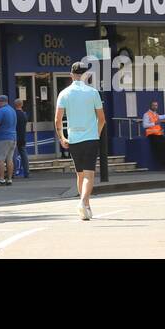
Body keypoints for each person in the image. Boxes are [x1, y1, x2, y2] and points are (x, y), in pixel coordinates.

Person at [55, 63, 106, 221]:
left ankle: (86, 207)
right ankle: (84, 202)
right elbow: (102, 119)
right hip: (90, 138)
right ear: (86, 75)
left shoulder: (64, 93)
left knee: (80, 174)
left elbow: (57, 120)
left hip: (74, 139)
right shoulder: (93, 93)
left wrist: (62, 138)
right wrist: (96, 133)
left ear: (71, 75)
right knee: (89, 175)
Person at [0, 94, 18, 185]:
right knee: (9, 159)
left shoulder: (1, 111)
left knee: (0, 159)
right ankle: (9, 179)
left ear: (1, 102)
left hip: (2, 138)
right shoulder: (12, 110)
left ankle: (1, 179)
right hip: (13, 137)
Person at [143, 100, 165, 171]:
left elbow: (163, 116)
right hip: (152, 135)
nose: (155, 106)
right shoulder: (146, 114)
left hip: (159, 134)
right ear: (151, 106)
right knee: (161, 148)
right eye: (154, 105)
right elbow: (144, 125)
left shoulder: (156, 114)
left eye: (156, 105)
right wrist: (154, 123)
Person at [13, 98, 30, 178]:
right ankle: (26, 172)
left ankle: (13, 172)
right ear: (22, 105)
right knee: (23, 154)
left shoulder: (13, 114)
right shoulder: (24, 115)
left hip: (14, 136)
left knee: (12, 154)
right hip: (22, 136)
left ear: (14, 105)